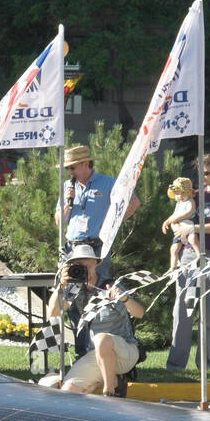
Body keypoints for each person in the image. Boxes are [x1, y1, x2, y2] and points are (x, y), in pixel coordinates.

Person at [46, 244, 145, 397]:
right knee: (68, 393)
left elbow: (139, 313)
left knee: (101, 339)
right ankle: (116, 382)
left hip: (124, 352)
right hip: (94, 355)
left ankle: (109, 391)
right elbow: (53, 313)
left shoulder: (109, 286)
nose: (82, 266)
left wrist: (124, 298)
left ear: (95, 263)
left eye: (85, 261)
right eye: (77, 263)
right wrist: (61, 284)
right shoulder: (73, 289)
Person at [166, 153, 210, 372]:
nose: (202, 178)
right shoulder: (193, 195)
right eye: (200, 173)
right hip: (188, 255)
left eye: (206, 173)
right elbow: (179, 219)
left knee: (208, 311)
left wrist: (193, 229)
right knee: (183, 309)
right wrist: (178, 228)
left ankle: (204, 363)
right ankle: (175, 364)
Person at [56, 144, 138, 284]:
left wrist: (110, 226)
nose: (70, 172)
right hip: (72, 248)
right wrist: (67, 203)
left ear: (85, 164)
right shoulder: (66, 186)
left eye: (72, 167)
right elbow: (59, 222)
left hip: (96, 248)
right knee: (68, 290)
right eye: (67, 168)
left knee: (97, 287)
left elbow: (134, 202)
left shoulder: (108, 182)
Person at [161, 176, 198, 271]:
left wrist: (177, 218)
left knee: (193, 240)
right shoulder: (178, 204)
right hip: (179, 229)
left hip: (188, 225)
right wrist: (167, 221)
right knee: (174, 249)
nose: (180, 196)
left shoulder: (190, 201)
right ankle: (173, 267)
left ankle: (200, 257)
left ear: (188, 192)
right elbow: (174, 215)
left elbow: (189, 212)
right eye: (177, 194)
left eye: (183, 193)